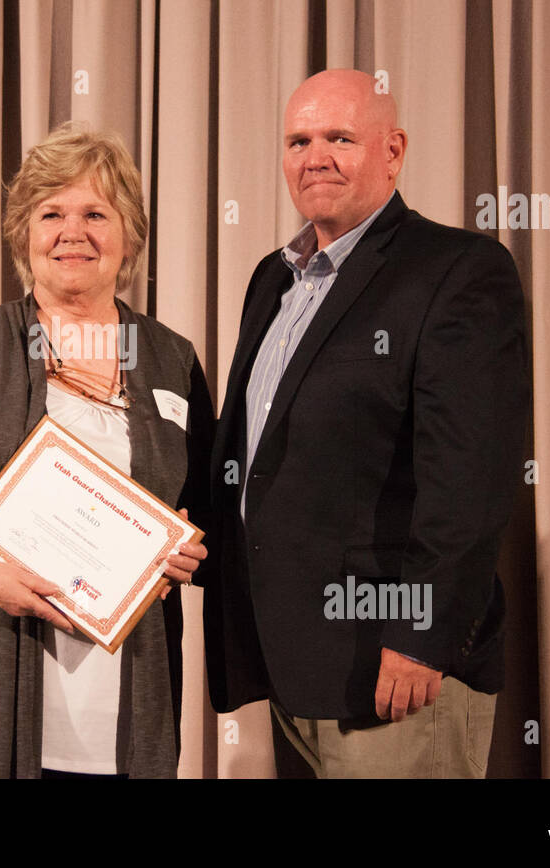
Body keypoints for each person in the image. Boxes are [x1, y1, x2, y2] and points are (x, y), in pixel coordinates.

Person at [201, 69, 530, 778]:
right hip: (290, 667)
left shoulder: (457, 270)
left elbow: (469, 480)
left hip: (394, 672)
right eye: (299, 140)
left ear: (393, 151)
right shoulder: (273, 279)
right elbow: (251, 455)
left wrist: (420, 636)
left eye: (339, 137)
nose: (314, 156)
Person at [0, 123, 213, 778]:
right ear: (25, 233)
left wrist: (185, 548)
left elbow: (198, 507)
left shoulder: (172, 358)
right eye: (51, 213)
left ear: (129, 233)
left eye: (95, 213)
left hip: (124, 709)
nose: (72, 231)